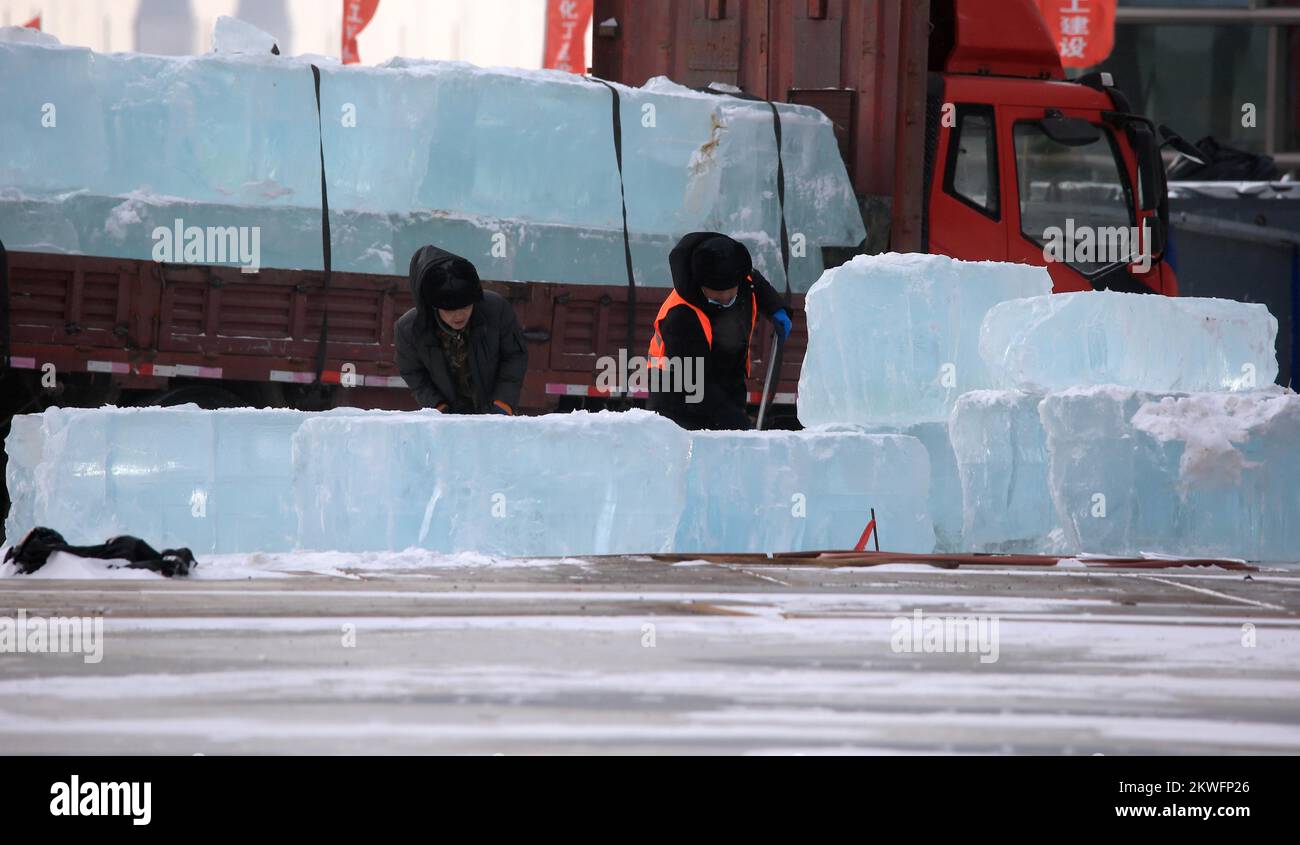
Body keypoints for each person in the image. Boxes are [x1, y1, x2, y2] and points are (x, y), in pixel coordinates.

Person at [646, 232, 792, 430]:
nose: (725, 300)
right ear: (701, 285)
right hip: (678, 401)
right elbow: (694, 385)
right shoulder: (681, 316)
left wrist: (776, 308)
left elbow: (755, 282)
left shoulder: (740, 276)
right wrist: (735, 420)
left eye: (730, 294)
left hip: (725, 381)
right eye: (717, 297)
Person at [395, 245, 528, 414]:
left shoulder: (496, 310)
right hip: (445, 417)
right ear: (433, 307)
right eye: (449, 310)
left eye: (465, 307)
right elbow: (413, 373)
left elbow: (515, 356)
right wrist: (437, 406)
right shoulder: (409, 329)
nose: (459, 316)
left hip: (494, 411)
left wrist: (504, 403)